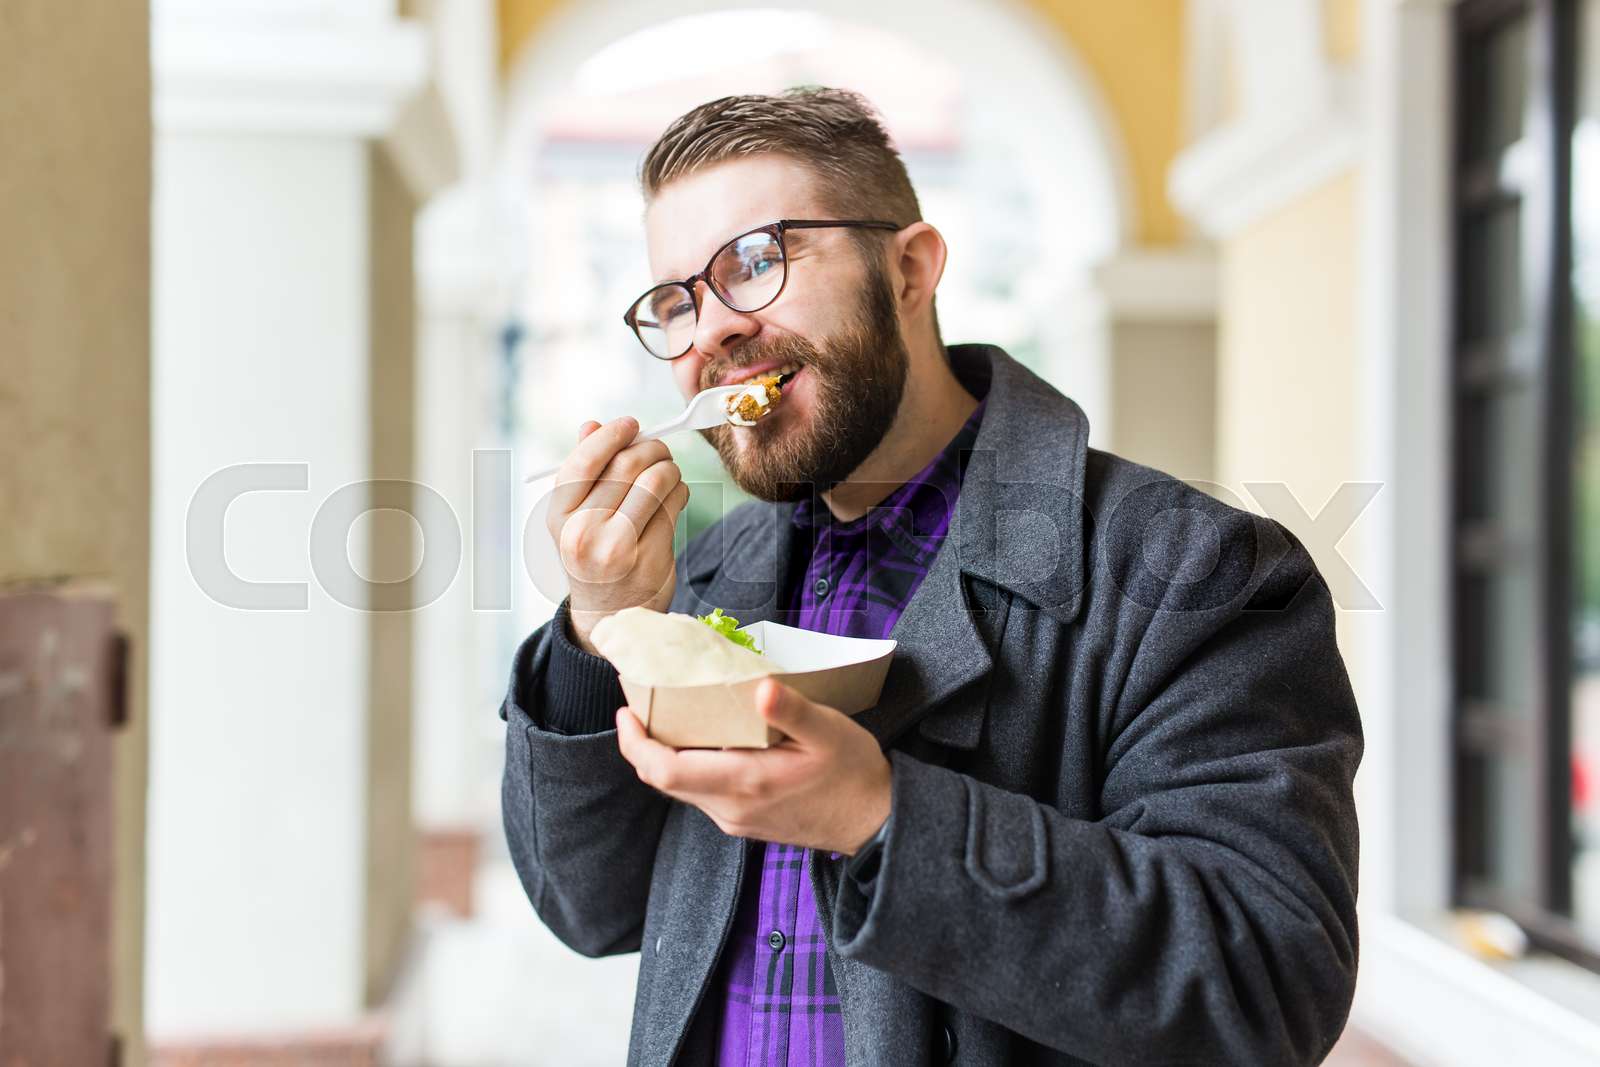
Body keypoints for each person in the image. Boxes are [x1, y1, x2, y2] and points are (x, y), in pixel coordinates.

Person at [499, 87, 1362, 1066]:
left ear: (909, 268)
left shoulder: (1195, 569)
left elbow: (1264, 985)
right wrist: (599, 624)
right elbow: (589, 906)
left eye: (755, 262)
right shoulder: (706, 579)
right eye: (676, 300)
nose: (707, 333)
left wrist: (878, 814)